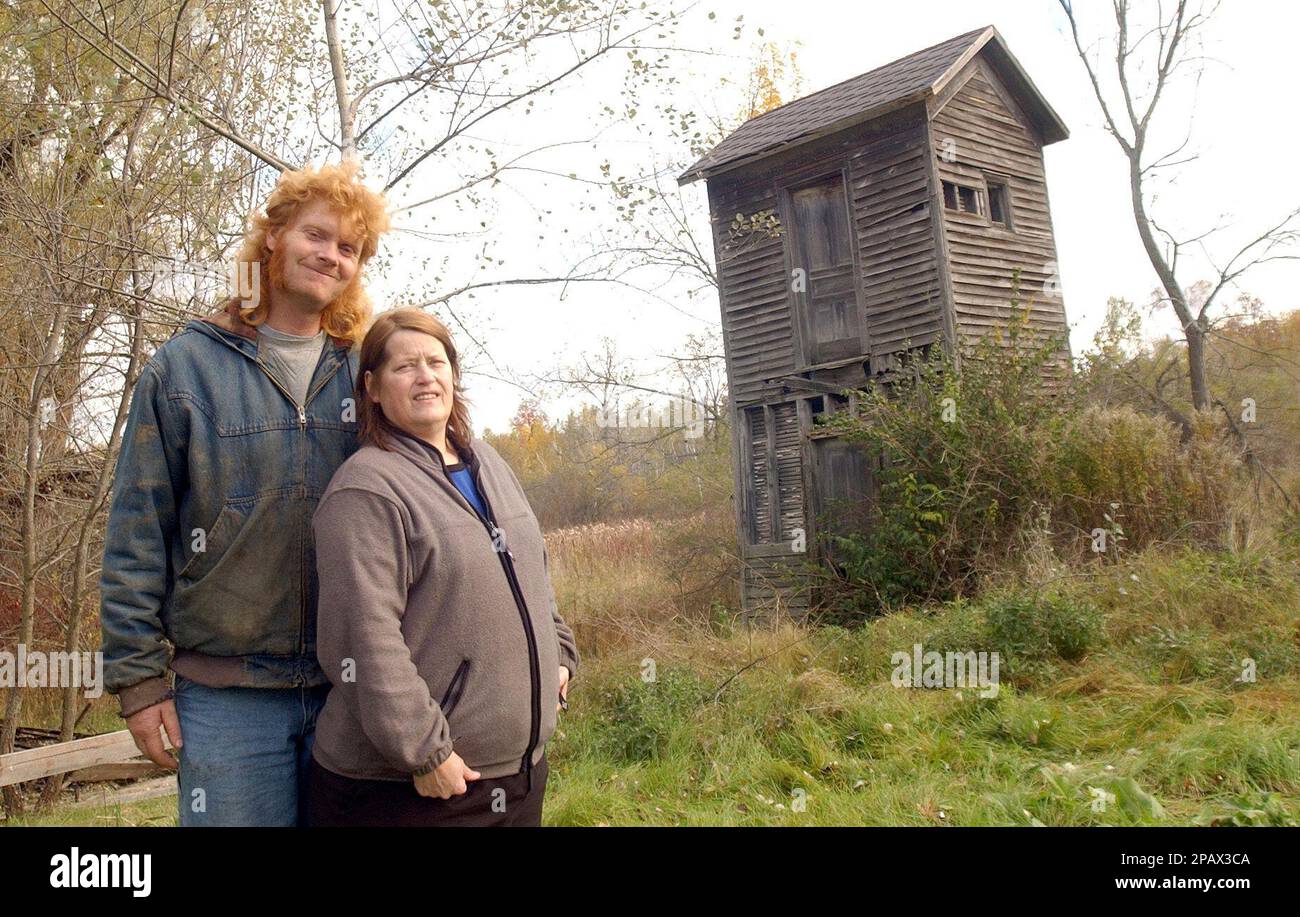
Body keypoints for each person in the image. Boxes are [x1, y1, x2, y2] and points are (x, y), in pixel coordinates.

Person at [99, 161, 390, 826]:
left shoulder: (368, 371)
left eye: (349, 248)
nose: (330, 255)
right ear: (275, 236)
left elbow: (434, 500)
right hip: (226, 698)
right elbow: (136, 532)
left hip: (351, 691)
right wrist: (141, 684)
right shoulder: (185, 367)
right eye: (317, 235)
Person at [306, 308, 580, 827]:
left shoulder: (488, 462)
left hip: (517, 775)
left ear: (454, 375)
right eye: (404, 367)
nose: (425, 376)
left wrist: (560, 653)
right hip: (412, 791)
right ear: (373, 388)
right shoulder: (367, 488)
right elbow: (363, 638)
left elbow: (533, 576)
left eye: (436, 361)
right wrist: (424, 752)